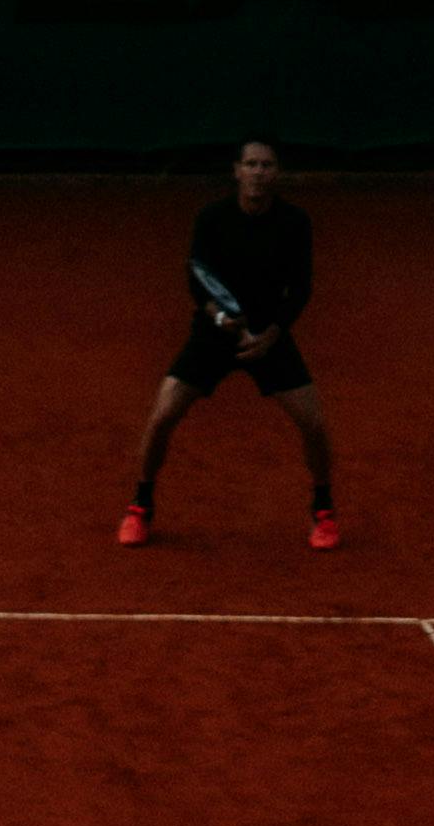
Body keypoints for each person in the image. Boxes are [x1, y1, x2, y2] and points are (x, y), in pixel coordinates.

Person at [120, 145, 339, 554]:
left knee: (312, 423)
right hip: (214, 334)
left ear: (277, 173)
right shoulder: (212, 218)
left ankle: (323, 510)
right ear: (237, 171)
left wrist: (271, 334)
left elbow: (301, 288)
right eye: (251, 164)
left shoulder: (294, 222)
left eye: (266, 165)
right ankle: (140, 506)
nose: (258, 172)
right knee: (163, 414)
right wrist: (220, 318)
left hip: (268, 335)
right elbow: (197, 279)